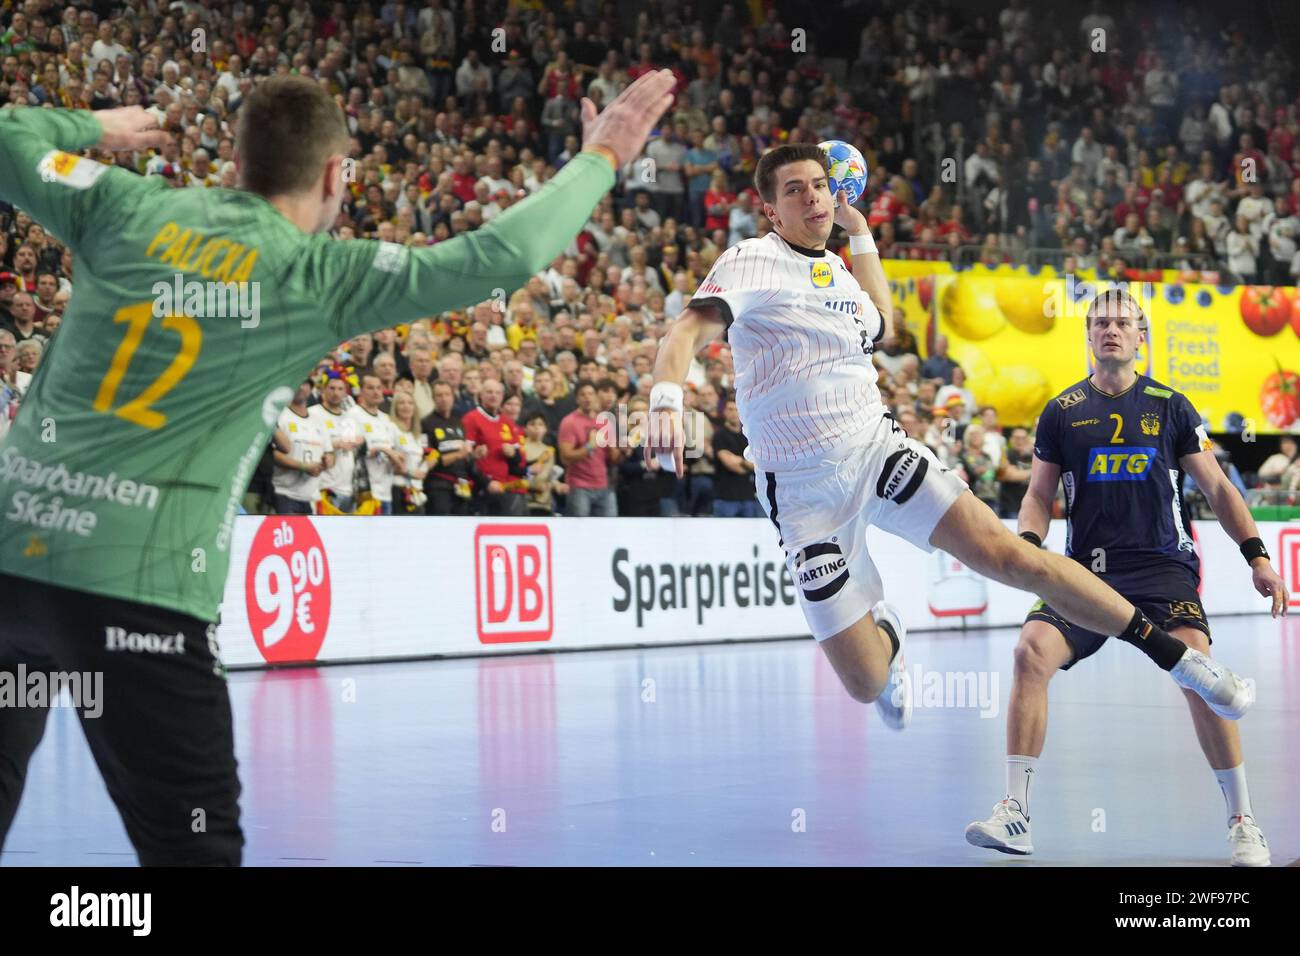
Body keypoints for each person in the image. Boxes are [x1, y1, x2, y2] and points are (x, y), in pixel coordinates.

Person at [0, 70, 677, 865]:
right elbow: (505, 252)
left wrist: (93, 128)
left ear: (236, 162)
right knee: (191, 851)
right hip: (136, 593)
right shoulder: (316, 274)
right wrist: (601, 155)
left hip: (12, 561)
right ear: (332, 175)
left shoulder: (122, 204)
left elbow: (11, 132)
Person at [648, 144, 1262, 743]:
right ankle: (887, 630)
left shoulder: (835, 269)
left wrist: (859, 232)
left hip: (876, 452)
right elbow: (686, 330)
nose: (812, 197)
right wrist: (666, 402)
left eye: (819, 185)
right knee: (865, 682)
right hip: (804, 497)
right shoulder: (753, 259)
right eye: (794, 190)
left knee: (1011, 557)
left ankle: (1183, 664)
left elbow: (881, 320)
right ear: (773, 212)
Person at [964, 289, 1287, 866]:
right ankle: (1015, 812)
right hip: (1085, 574)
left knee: (1196, 668)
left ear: (1141, 338)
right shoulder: (1061, 412)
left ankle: (1243, 820)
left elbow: (1218, 489)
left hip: (1163, 569)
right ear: (1087, 336)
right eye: (1101, 322)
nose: (1112, 329)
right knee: (1030, 652)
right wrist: (1031, 547)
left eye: (1123, 322)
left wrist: (1258, 557)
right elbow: (1038, 493)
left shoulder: (1171, 406)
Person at [558, 380, 622, 516]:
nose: (587, 397)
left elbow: (613, 459)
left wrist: (615, 449)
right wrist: (590, 446)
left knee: (609, 531)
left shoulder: (604, 421)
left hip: (604, 485)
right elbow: (565, 458)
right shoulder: (569, 422)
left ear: (596, 397)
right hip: (579, 487)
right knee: (579, 533)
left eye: (590, 394)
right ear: (577, 399)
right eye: (583, 394)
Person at [271, 379, 334, 515]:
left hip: (311, 496)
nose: (300, 387)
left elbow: (329, 452)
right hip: (284, 494)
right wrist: (303, 466)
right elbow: (273, 454)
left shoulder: (319, 420)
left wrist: (328, 460)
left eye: (305, 383)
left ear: (311, 389)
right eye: (298, 381)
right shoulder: (279, 416)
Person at [420, 380, 475, 515]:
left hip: (461, 485)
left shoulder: (459, 422)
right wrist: (457, 455)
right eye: (439, 395)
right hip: (438, 486)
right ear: (433, 399)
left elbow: (464, 455)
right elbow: (429, 460)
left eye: (447, 394)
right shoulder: (426, 423)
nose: (444, 399)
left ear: (453, 397)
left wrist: (474, 454)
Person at [711, 398, 760, 516]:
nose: (734, 413)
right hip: (726, 497)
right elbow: (730, 463)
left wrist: (740, 462)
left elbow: (759, 464)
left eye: (737, 409)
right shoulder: (720, 434)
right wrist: (749, 464)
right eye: (730, 409)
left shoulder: (749, 435)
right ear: (724, 412)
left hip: (749, 496)